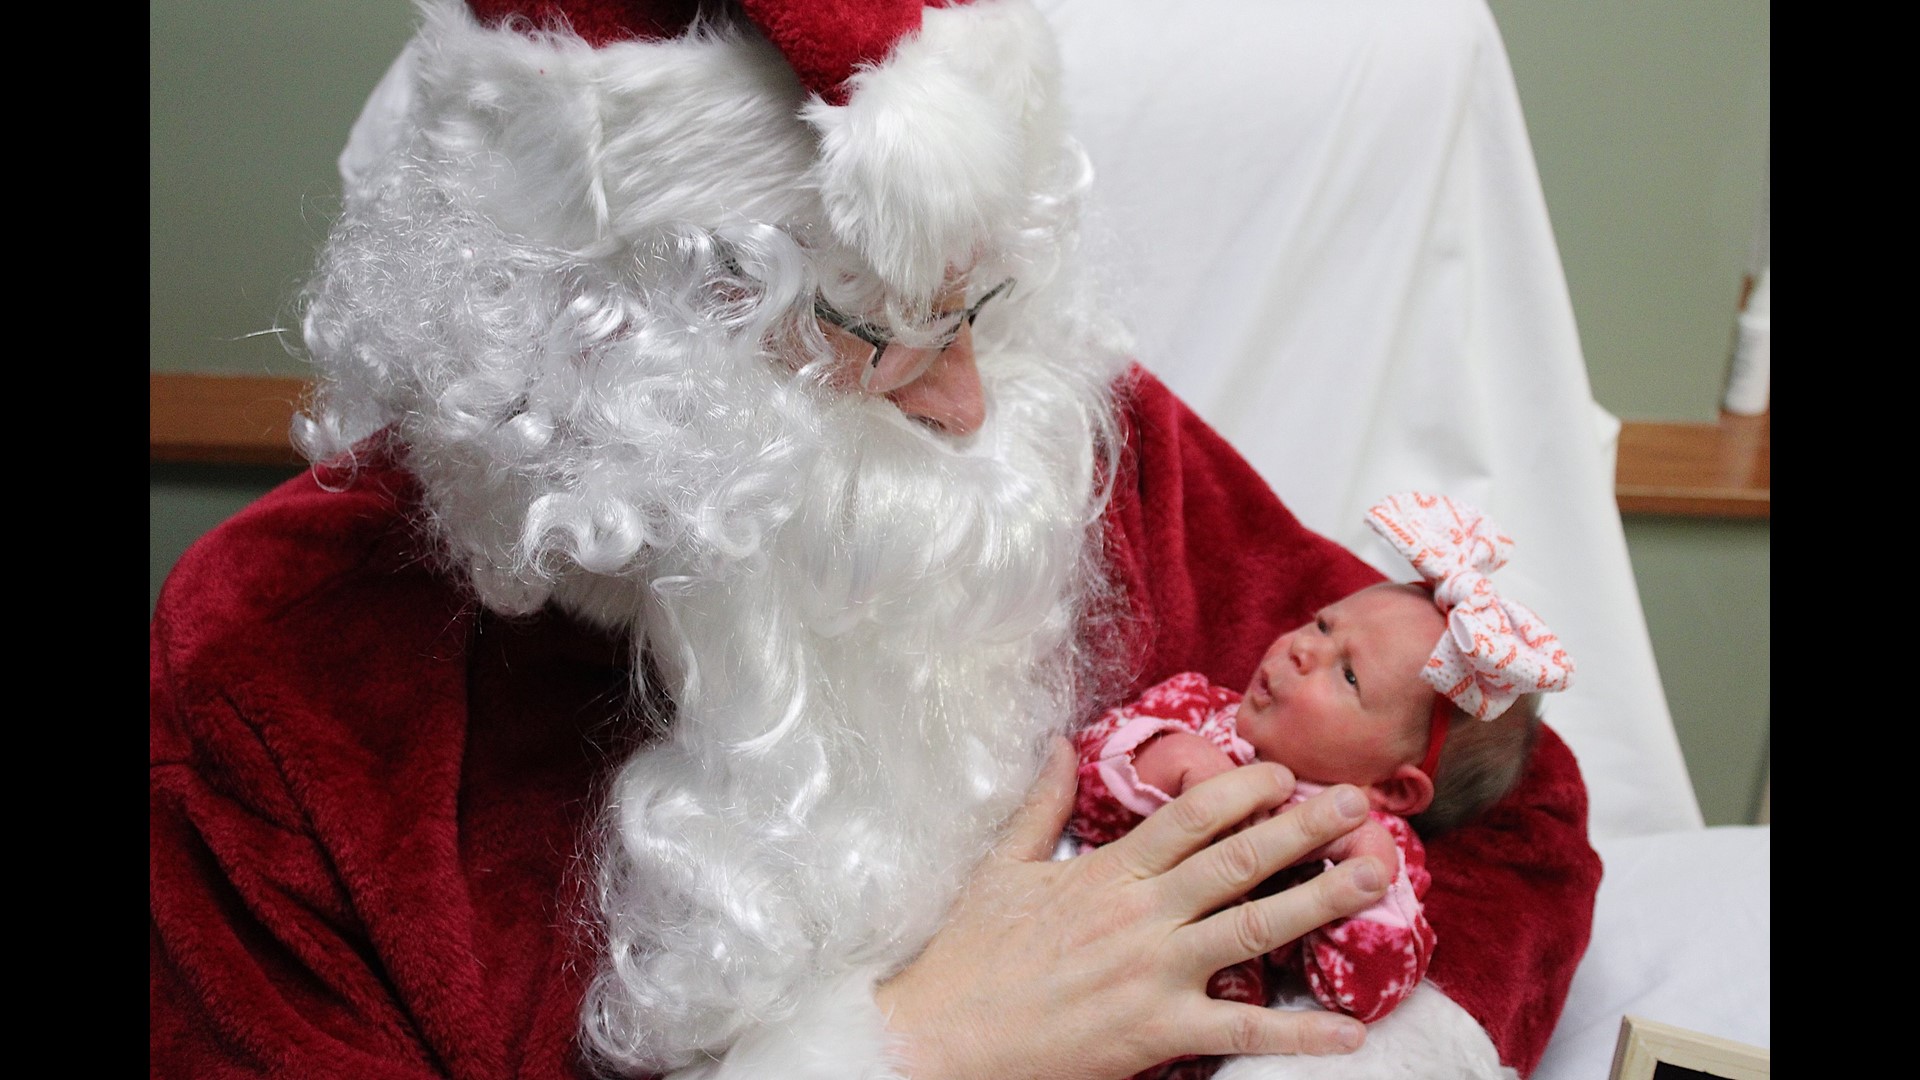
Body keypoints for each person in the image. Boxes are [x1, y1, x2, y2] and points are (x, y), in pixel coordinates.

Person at [149, 4, 1602, 1079]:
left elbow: (1508, 800)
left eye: (985, 304)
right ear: (611, 344)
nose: (970, 405)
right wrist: (914, 1051)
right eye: (880, 333)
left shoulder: (1067, 433)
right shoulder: (275, 681)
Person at [1069, 494, 1573, 1080]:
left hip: (1175, 1041)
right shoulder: (1198, 709)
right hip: (1071, 951)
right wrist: (1167, 759)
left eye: (1349, 674)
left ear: (1393, 790)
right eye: (1323, 624)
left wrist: (1367, 883)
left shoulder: (1370, 841)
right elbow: (1084, 781)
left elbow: (1365, 993)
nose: (1304, 648)